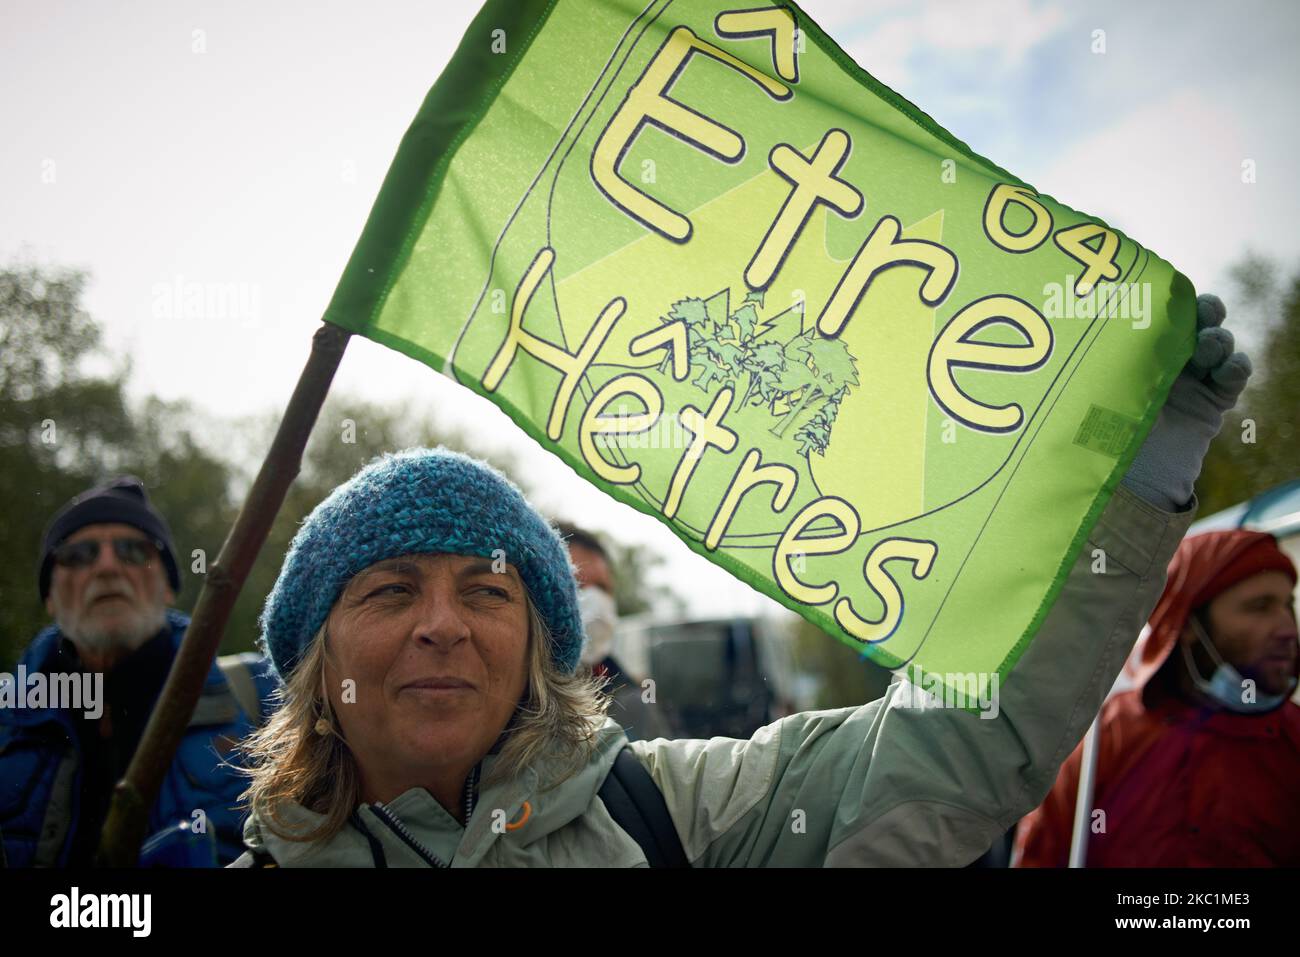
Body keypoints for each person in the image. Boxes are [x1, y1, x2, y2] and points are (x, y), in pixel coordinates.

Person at [233, 294, 1246, 867]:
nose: (443, 625)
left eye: (489, 591)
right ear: (316, 659)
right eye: (392, 590)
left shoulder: (668, 810)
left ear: (543, 649)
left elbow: (962, 743)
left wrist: (1139, 479)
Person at [0, 477, 278, 867]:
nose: (108, 567)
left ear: (168, 586)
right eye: (79, 555)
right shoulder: (5, 721)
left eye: (134, 550)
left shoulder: (266, 698)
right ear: (49, 595)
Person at [1012, 529, 1299, 866]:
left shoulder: (1292, 739)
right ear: (1189, 624)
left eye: (1287, 605)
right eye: (1259, 608)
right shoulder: (1107, 735)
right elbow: (1039, 856)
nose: (1287, 629)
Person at [557, 522, 674, 742]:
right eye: (576, 584)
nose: (593, 600)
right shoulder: (505, 701)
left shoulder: (632, 702)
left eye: (602, 588)